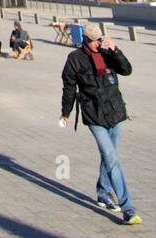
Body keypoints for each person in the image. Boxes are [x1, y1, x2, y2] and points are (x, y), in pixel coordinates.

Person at [60, 21, 140, 224]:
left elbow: (126, 70)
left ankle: (103, 192)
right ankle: (128, 208)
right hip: (94, 115)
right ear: (85, 41)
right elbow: (69, 88)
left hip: (114, 113)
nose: (98, 44)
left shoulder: (107, 55)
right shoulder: (74, 60)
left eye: (99, 40)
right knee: (112, 159)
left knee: (109, 155)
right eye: (94, 41)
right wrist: (65, 113)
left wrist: (115, 51)